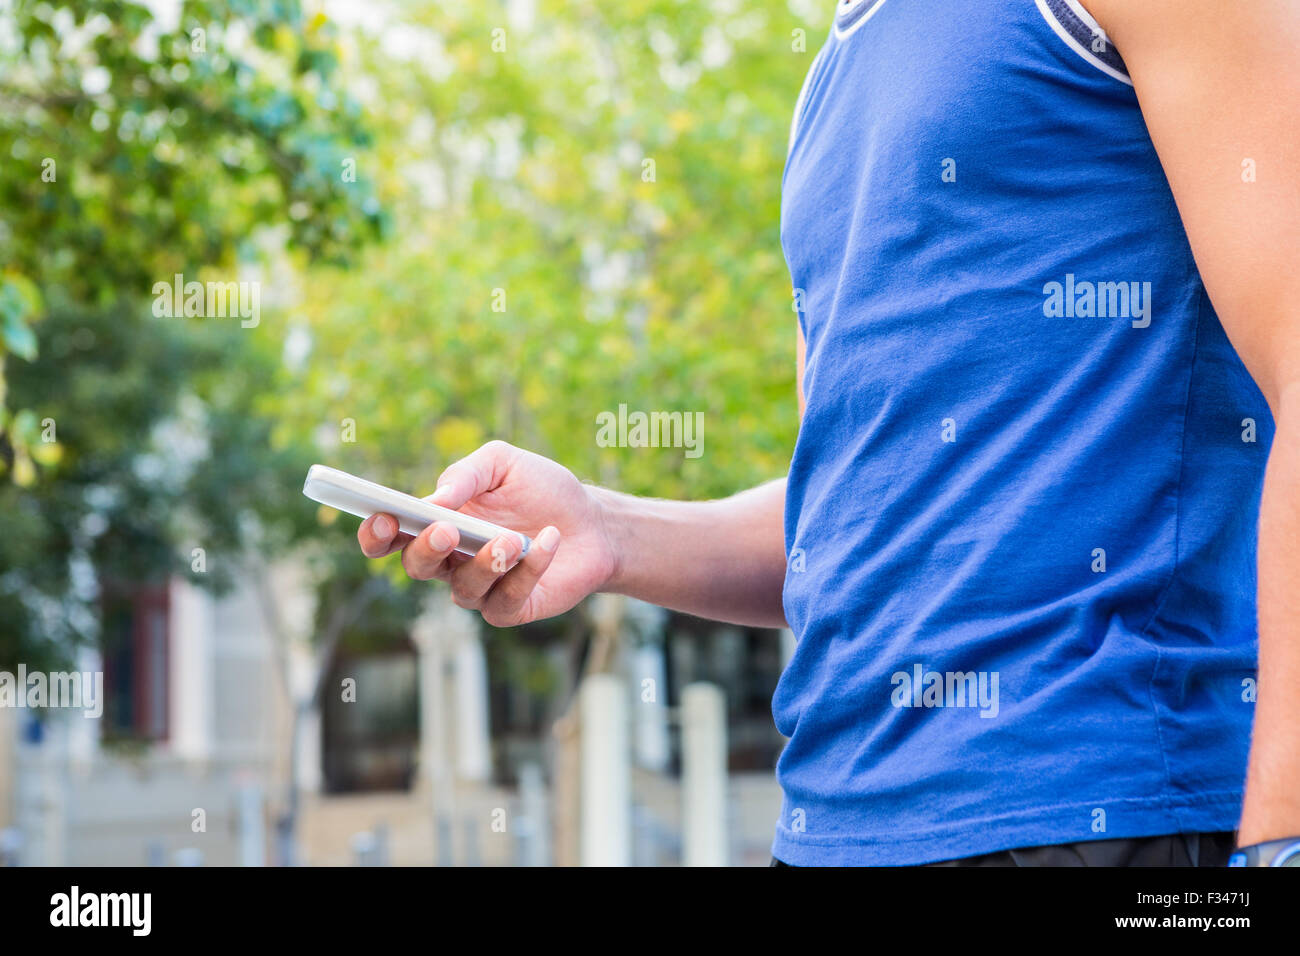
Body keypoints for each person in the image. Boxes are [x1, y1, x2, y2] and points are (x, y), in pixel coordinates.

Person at [359, 0, 1300, 867]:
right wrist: (604, 532)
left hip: (1102, 810)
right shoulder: (837, 70)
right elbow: (848, 510)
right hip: (831, 825)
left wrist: (1279, 847)